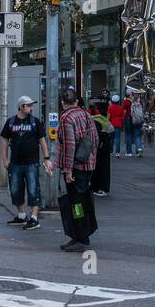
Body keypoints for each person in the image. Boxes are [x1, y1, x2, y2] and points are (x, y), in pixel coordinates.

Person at [0, 96, 52, 230]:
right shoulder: (11, 122)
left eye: (31, 105)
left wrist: (46, 158)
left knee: (34, 190)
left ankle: (34, 218)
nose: (31, 108)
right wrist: (5, 159)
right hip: (16, 163)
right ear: (21, 107)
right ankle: (21, 215)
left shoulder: (35, 122)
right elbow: (4, 140)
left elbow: (42, 140)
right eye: (28, 105)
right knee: (15, 189)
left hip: (31, 163)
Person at [57, 88, 99, 252]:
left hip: (75, 167)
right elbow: (94, 139)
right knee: (81, 200)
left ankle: (82, 237)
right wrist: (91, 159)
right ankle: (78, 236)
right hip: (88, 165)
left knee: (76, 203)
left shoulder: (66, 118)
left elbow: (69, 145)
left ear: (62, 102)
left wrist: (68, 170)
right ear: (76, 101)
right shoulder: (86, 115)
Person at [89, 101, 111, 197]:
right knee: (105, 168)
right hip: (105, 147)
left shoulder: (95, 120)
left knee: (97, 168)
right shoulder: (105, 120)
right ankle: (103, 187)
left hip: (99, 147)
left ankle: (97, 187)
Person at [107, 93, 126, 158]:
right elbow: (123, 117)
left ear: (112, 101)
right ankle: (117, 152)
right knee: (118, 139)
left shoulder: (110, 107)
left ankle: (111, 151)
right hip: (118, 124)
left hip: (112, 124)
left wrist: (107, 123)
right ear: (118, 101)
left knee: (111, 139)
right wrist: (123, 125)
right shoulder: (121, 108)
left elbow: (108, 116)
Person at [127, 90, 145, 157]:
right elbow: (143, 109)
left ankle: (134, 151)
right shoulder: (141, 101)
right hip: (140, 120)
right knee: (138, 135)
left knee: (134, 135)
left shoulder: (130, 101)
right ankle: (139, 149)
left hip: (133, 120)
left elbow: (130, 112)